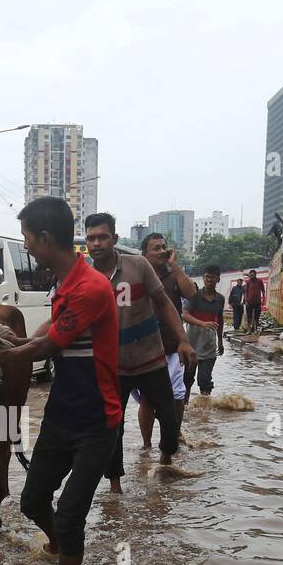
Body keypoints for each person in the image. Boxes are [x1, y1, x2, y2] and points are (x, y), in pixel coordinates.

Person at [0, 197, 120, 565]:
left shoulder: (90, 287)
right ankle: (62, 547)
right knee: (32, 501)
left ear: (44, 238)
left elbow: (46, 347)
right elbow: (51, 331)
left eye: (26, 239)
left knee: (72, 514)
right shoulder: (66, 281)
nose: (25, 247)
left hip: (97, 420)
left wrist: (3, 354)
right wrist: (16, 339)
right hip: (61, 413)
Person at [82, 212, 195, 494]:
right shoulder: (84, 275)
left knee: (170, 418)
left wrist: (182, 340)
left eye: (103, 237)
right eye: (91, 238)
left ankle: (166, 458)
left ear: (115, 239)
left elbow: (165, 303)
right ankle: (115, 487)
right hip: (112, 367)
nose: (97, 243)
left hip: (151, 360)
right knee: (112, 428)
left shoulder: (138, 265)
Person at [137, 232, 200, 446]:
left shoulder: (173, 275)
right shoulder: (138, 275)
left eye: (164, 247)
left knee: (177, 396)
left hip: (173, 349)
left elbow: (191, 293)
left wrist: (176, 266)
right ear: (144, 253)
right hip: (145, 350)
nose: (162, 251)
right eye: (156, 248)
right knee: (147, 399)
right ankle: (146, 445)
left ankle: (174, 434)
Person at [184, 265, 225, 395]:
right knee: (186, 378)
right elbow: (184, 315)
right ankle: (184, 405)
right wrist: (202, 323)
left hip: (209, 346)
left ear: (218, 279)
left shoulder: (220, 299)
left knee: (205, 381)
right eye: (207, 277)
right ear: (203, 278)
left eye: (213, 277)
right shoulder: (194, 296)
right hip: (191, 344)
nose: (209, 280)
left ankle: (205, 412)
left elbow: (220, 319)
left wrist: (220, 341)